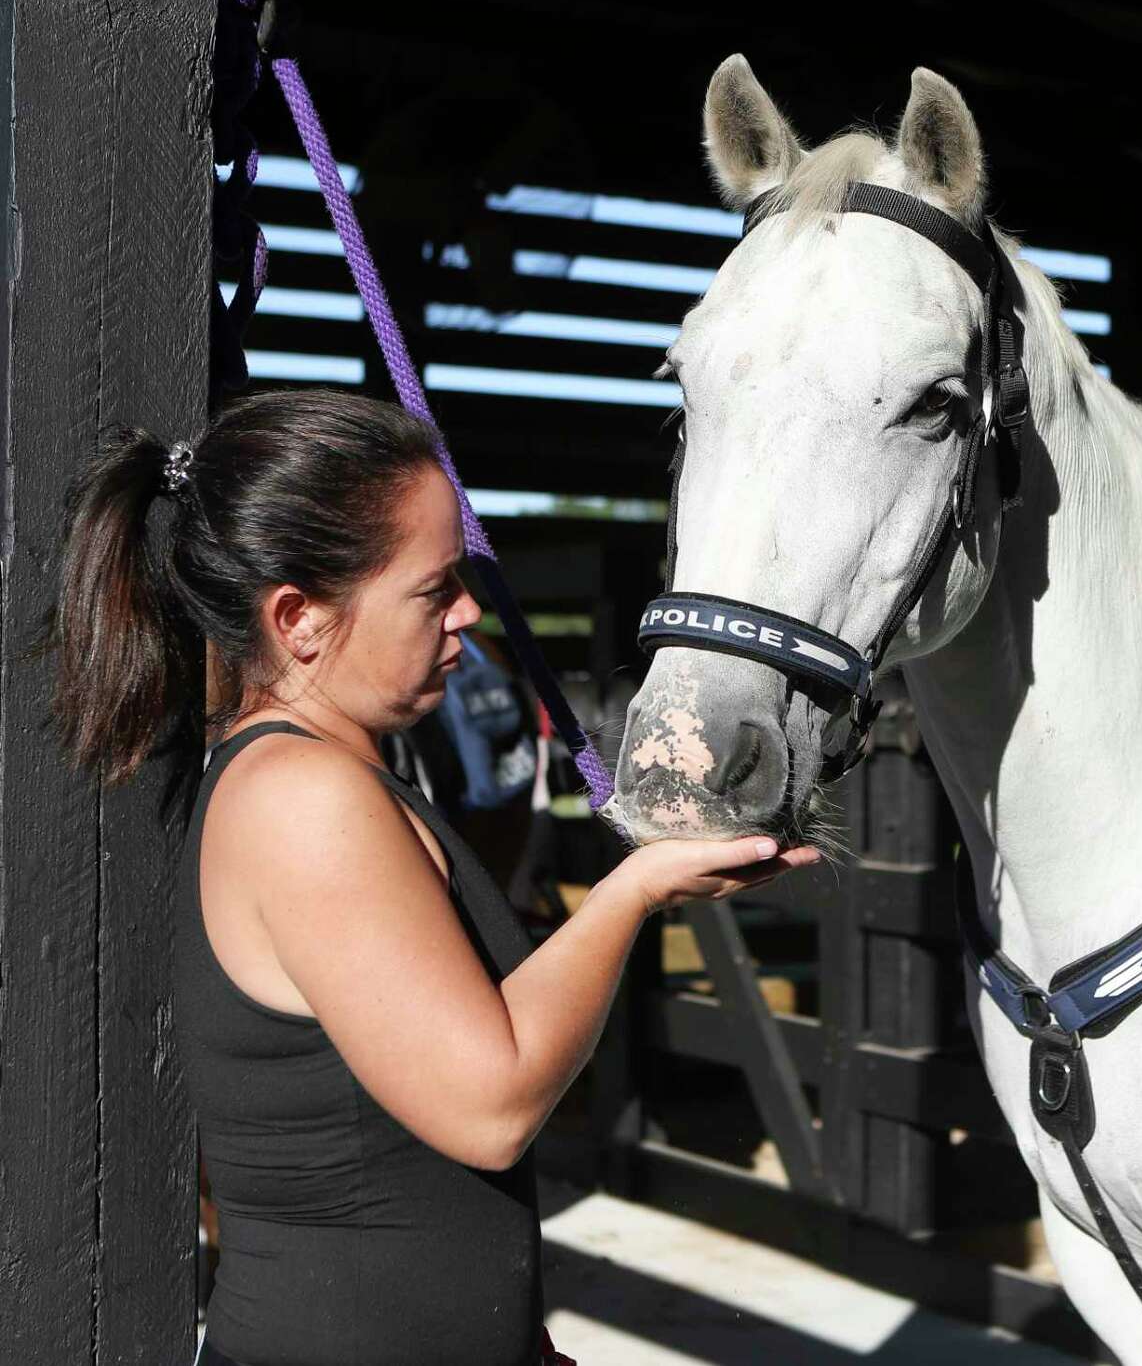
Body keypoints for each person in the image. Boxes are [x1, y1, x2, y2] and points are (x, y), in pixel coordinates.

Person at [49, 389, 818, 1366]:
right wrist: (633, 892)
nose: (467, 614)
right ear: (301, 619)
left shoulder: (339, 774)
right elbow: (488, 1106)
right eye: (434, 588)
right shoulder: (301, 797)